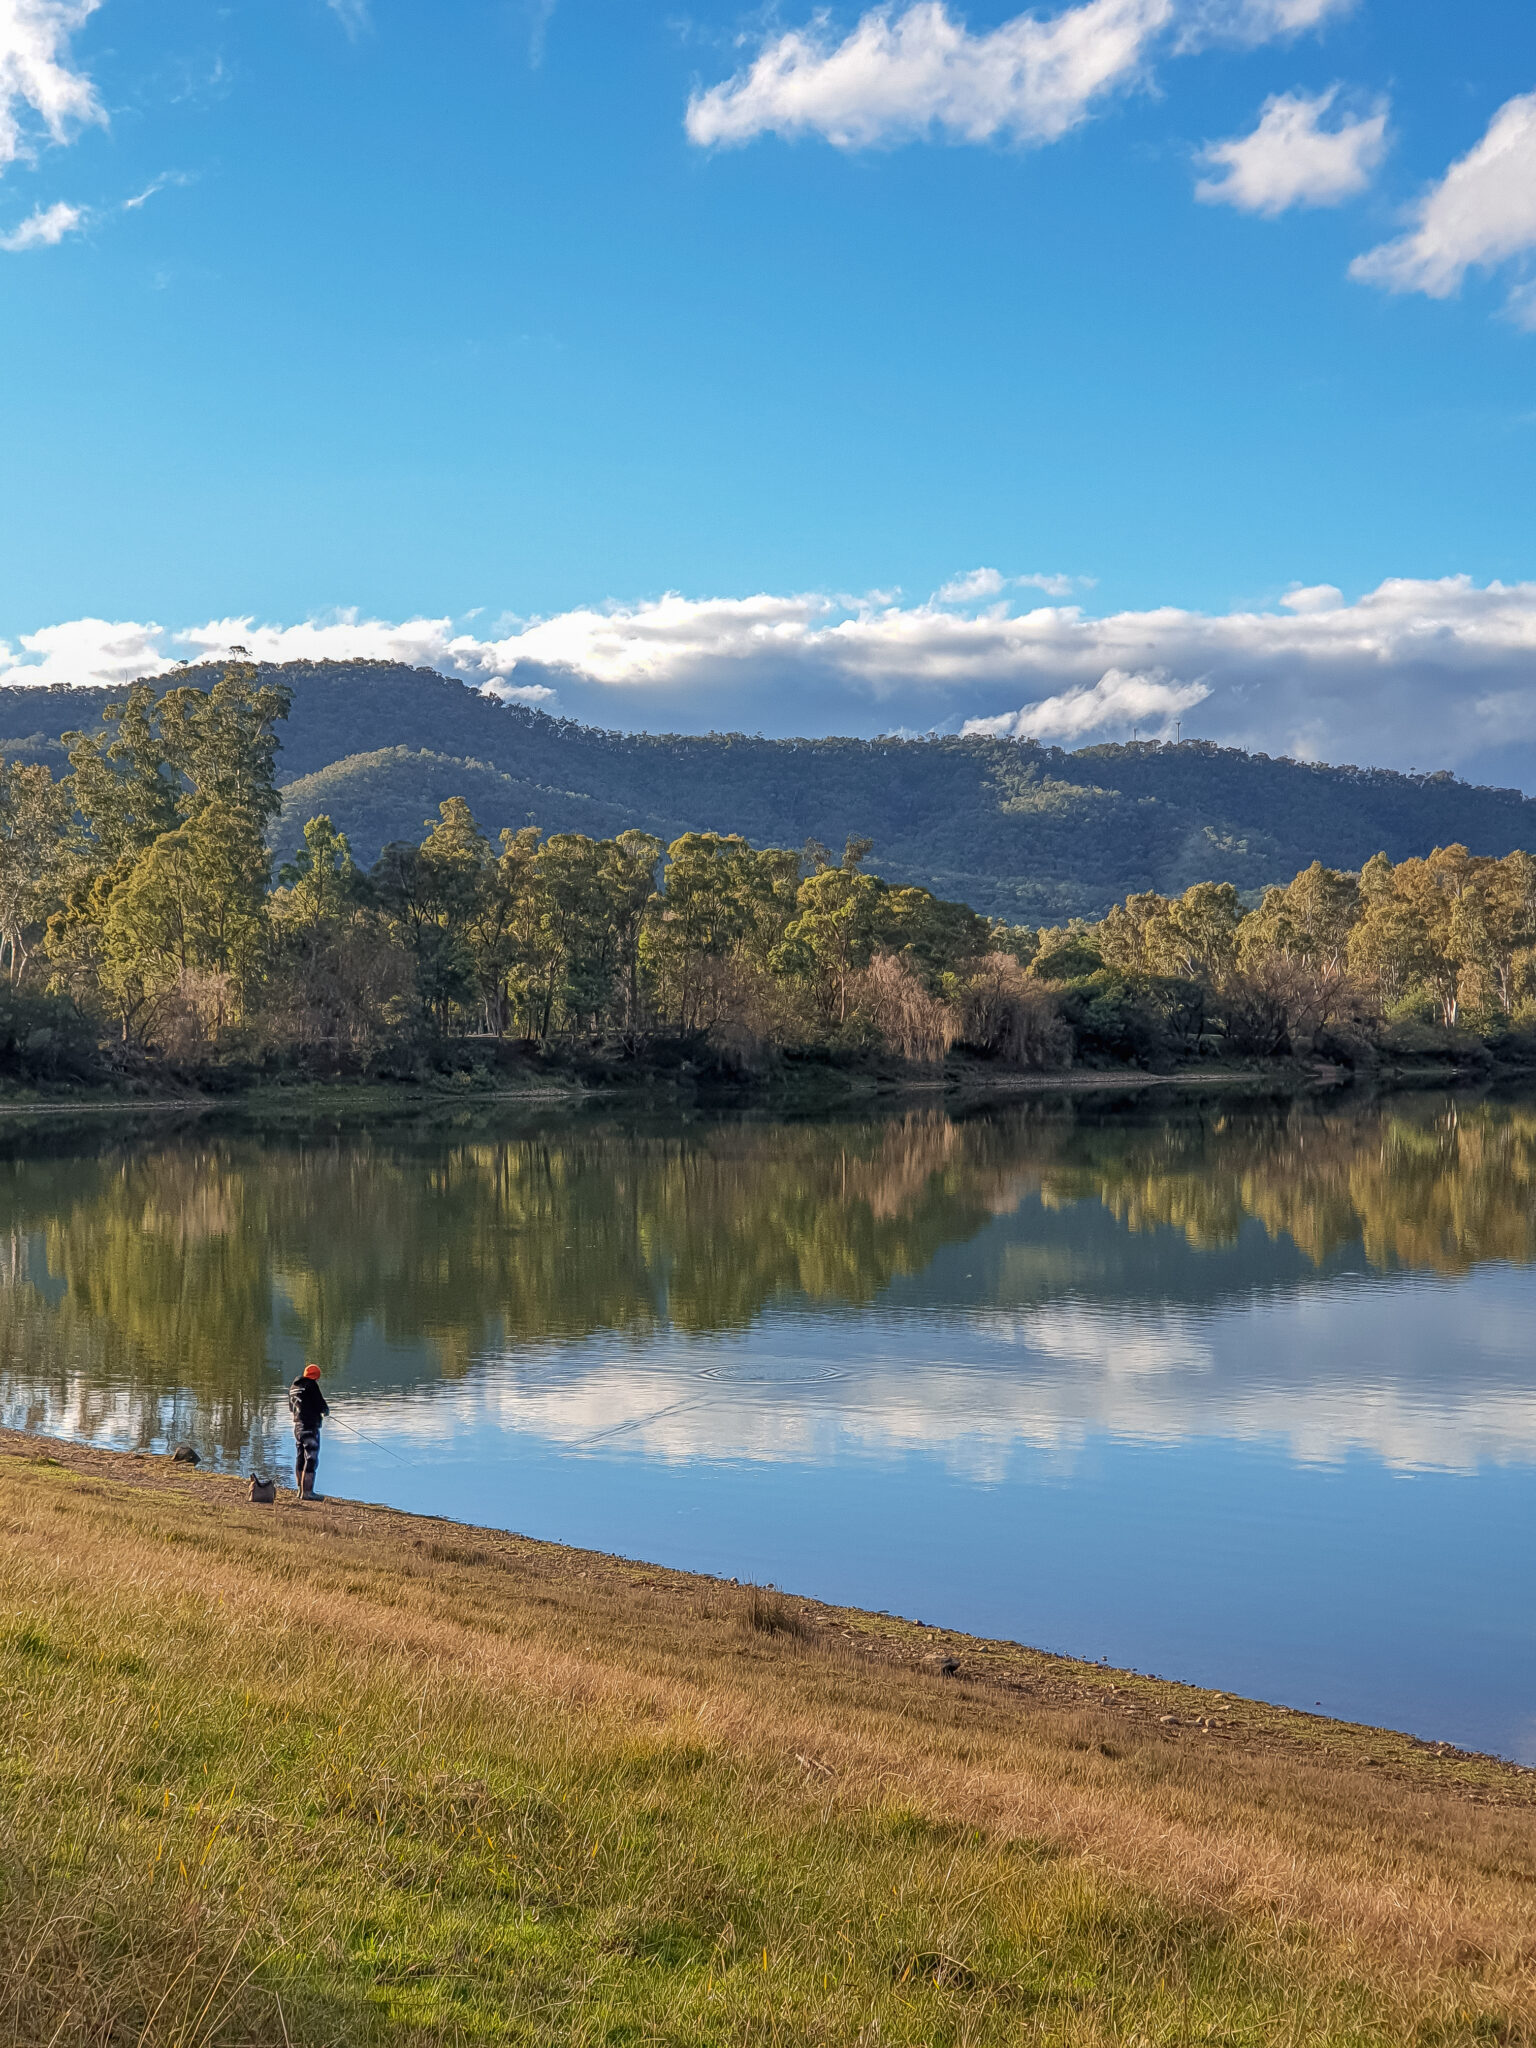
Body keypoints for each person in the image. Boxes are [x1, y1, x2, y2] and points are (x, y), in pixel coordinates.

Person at [287, 1363, 329, 1500]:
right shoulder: (311, 1385)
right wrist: (325, 1411)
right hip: (310, 1427)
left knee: (300, 1457)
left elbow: (291, 1408)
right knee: (311, 1459)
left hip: (297, 1427)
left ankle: (300, 1490)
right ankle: (308, 1492)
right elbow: (320, 1404)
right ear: (315, 1376)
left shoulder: (293, 1387)